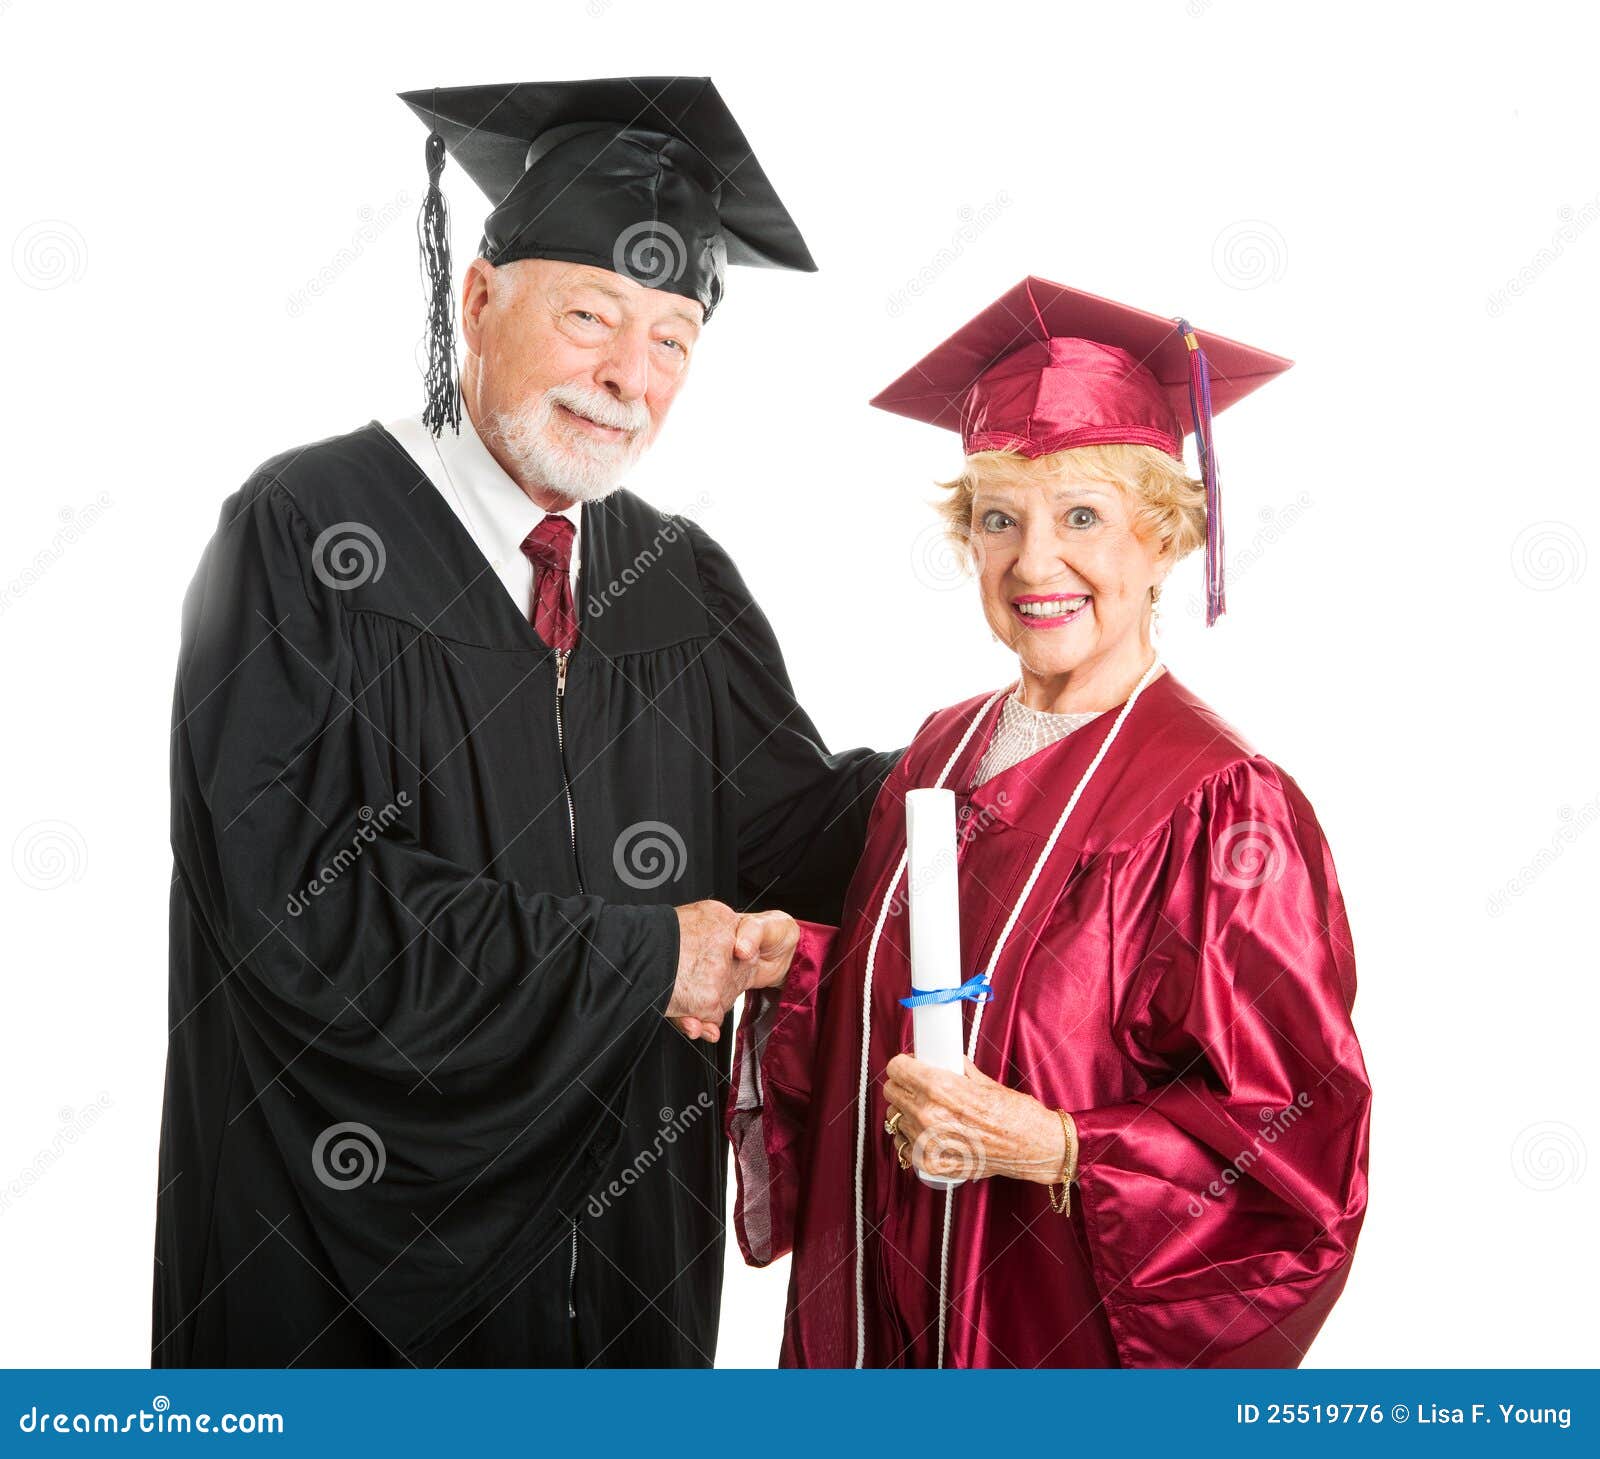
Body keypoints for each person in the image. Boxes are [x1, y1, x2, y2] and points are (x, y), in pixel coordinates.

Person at [153, 77, 894, 1369]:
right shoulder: (305, 538)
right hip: (345, 1288)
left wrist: (1002, 748)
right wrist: (643, 956)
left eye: (672, 338)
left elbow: (796, 839)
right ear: (479, 299)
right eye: (594, 315)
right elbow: (293, 915)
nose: (629, 376)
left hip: (626, 1285)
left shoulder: (681, 583)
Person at [725, 277, 1371, 1368]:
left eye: (1082, 517)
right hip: (879, 1306)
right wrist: (800, 966)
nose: (1034, 563)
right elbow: (924, 1013)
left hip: (1043, 1327)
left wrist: (1061, 1145)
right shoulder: (937, 753)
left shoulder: (1220, 802)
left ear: (1162, 540)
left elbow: (1296, 1143)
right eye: (997, 519)